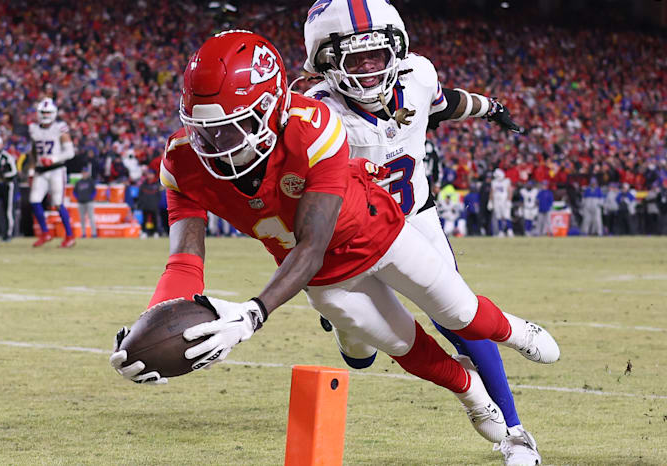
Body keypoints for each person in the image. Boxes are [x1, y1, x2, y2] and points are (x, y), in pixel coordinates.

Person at [109, 30, 559, 466]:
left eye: (233, 128)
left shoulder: (313, 126)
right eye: (205, 131)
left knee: (462, 314)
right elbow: (184, 257)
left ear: (273, 109)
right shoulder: (183, 160)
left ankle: (516, 331)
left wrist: (252, 314)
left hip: (381, 237)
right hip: (324, 279)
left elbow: (314, 240)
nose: (215, 146)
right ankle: (470, 391)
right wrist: (153, 322)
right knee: (405, 347)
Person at [28, 97, 77, 248]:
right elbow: (34, 151)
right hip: (41, 171)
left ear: (54, 113)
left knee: (57, 203)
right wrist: (31, 170)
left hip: (56, 170)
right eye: (43, 112)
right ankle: (45, 232)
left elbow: (70, 152)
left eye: (48, 112)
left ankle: (69, 236)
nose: (46, 115)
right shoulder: (34, 129)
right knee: (34, 200)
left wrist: (54, 159)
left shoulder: (60, 128)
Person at [490, 169, 513, 237]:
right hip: (497, 201)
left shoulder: (506, 181)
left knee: (507, 216)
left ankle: (510, 230)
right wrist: (490, 201)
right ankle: (501, 231)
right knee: (498, 216)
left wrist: (509, 200)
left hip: (504, 201)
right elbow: (492, 192)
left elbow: (510, 191)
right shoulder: (494, 182)